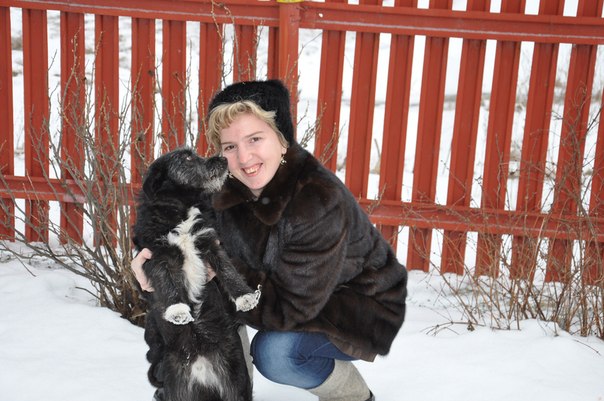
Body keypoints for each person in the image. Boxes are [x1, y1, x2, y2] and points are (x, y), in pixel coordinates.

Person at [132, 79, 408, 401]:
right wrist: (151, 265)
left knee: (277, 353)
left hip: (354, 305)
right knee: (219, 297)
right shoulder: (227, 186)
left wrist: (220, 270)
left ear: (282, 139)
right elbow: (172, 226)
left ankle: (352, 394)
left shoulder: (318, 201)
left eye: (255, 139)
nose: (244, 157)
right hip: (279, 293)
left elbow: (289, 308)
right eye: (230, 146)